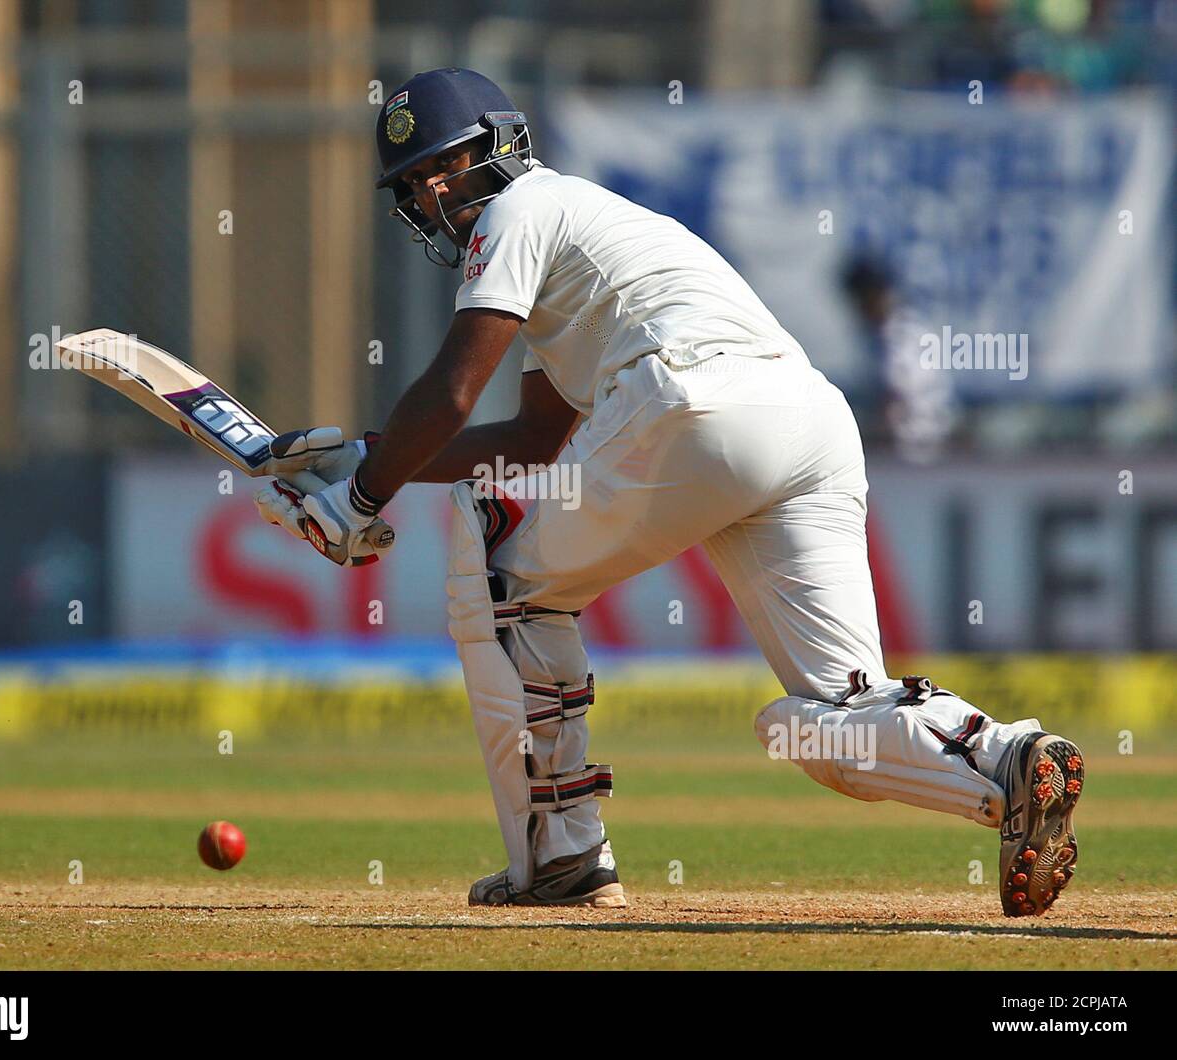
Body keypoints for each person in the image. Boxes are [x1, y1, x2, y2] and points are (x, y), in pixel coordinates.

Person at [254, 68, 1083, 915]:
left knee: (497, 557)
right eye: (416, 185)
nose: (434, 192)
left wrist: (359, 498)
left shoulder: (518, 211)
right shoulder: (579, 245)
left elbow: (453, 391)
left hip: (697, 404)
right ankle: (1012, 762)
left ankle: (561, 857)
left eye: (448, 164)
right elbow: (529, 438)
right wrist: (361, 455)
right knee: (820, 724)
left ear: (503, 146)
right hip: (806, 424)